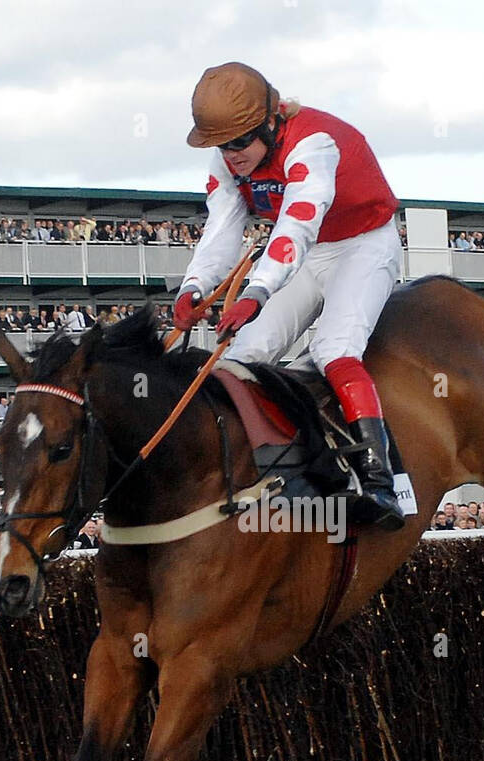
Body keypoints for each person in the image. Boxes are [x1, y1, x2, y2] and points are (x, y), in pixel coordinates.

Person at [172, 62, 405, 530]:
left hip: (362, 245)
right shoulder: (227, 162)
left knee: (333, 349)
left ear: (272, 122)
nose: (231, 154)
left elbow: (297, 222)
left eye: (239, 142)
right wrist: (192, 288)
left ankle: (381, 484)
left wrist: (256, 293)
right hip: (305, 254)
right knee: (239, 357)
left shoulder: (313, 143)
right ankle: (273, 469)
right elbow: (220, 231)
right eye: (222, 144)